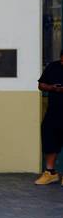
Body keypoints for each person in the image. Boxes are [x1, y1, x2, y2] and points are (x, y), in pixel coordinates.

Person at [35, 48, 63, 184]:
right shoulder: (53, 67)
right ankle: (50, 172)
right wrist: (52, 88)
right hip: (54, 111)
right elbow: (41, 85)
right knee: (49, 138)